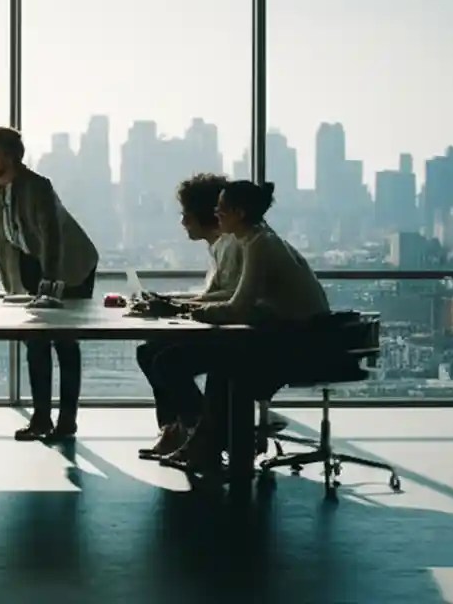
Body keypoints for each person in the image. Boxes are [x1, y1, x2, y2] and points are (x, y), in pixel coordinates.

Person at [153, 180, 329, 475]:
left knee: (177, 362)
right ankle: (207, 443)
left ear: (240, 212)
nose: (216, 213)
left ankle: (207, 443)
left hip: (296, 343)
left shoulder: (259, 245)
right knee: (211, 363)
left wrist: (185, 311)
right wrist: (186, 307)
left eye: (222, 208)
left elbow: (238, 307)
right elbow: (239, 301)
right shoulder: (258, 240)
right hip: (291, 335)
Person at [0, 127, 99, 441]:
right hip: (26, 262)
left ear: (9, 157)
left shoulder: (37, 186)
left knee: (65, 341)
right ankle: (41, 418)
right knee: (35, 339)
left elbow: (52, 238)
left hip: (71, 264)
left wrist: (51, 283)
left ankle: (67, 420)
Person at [134, 173, 243, 459]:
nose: (182, 222)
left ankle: (204, 432)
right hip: (228, 330)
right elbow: (217, 295)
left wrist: (177, 305)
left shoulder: (232, 247)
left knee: (167, 361)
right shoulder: (221, 246)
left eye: (186, 214)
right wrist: (176, 302)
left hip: (242, 337)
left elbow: (233, 298)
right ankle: (177, 429)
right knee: (149, 352)